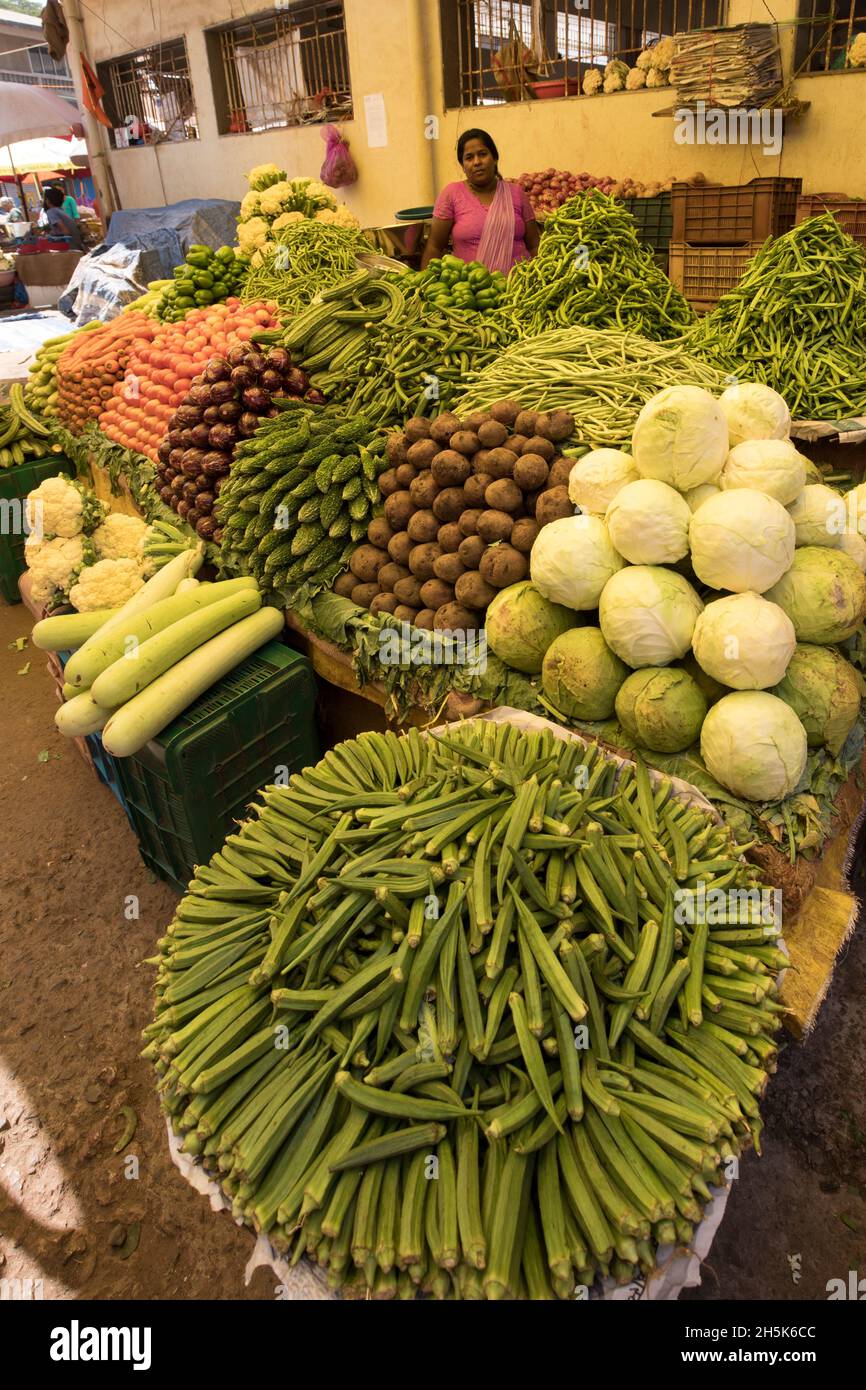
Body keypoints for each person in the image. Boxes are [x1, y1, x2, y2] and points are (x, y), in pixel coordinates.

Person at [421, 129, 540, 273]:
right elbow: (434, 246)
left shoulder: (516, 193)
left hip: (521, 288)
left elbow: (534, 244)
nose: (477, 162)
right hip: (471, 291)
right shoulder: (452, 194)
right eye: (469, 158)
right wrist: (424, 285)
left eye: (482, 154)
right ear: (463, 166)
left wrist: (540, 280)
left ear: (495, 158)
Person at [42, 186, 83, 250]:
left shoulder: (51, 211)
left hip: (71, 247)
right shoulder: (60, 210)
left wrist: (52, 235)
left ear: (47, 200)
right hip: (77, 243)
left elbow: (66, 232)